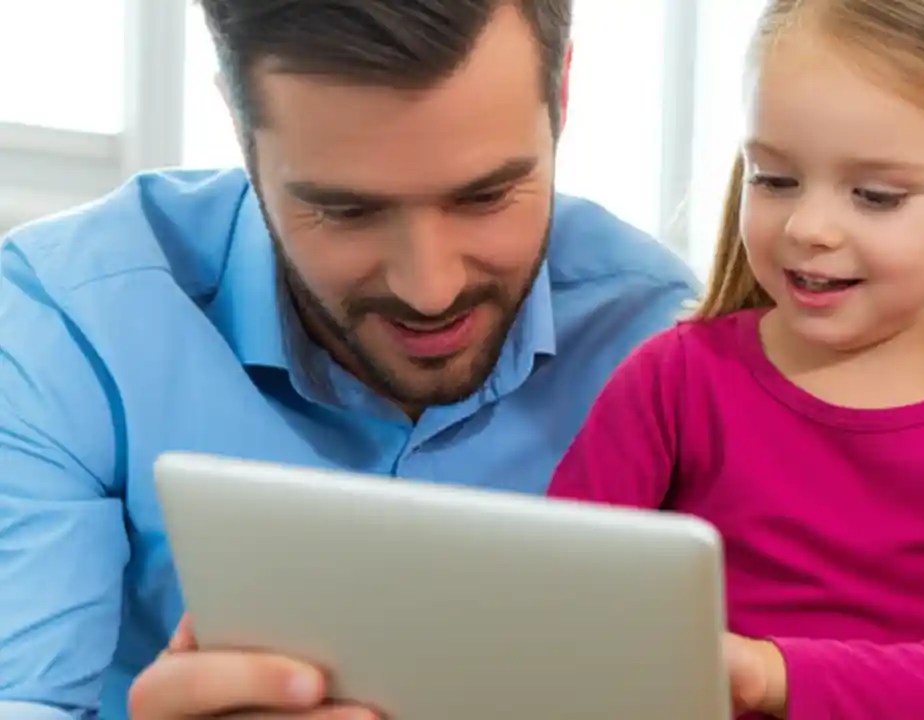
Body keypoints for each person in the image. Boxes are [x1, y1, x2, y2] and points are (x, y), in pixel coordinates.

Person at [0, 2, 698, 719]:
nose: (430, 289)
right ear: (242, 133)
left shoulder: (671, 340)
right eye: (346, 212)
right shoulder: (69, 319)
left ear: (563, 93)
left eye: (486, 196)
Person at [548, 0, 924, 718]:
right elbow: (558, 595)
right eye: (773, 179)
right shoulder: (674, 378)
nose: (809, 228)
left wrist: (771, 674)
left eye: (874, 196)